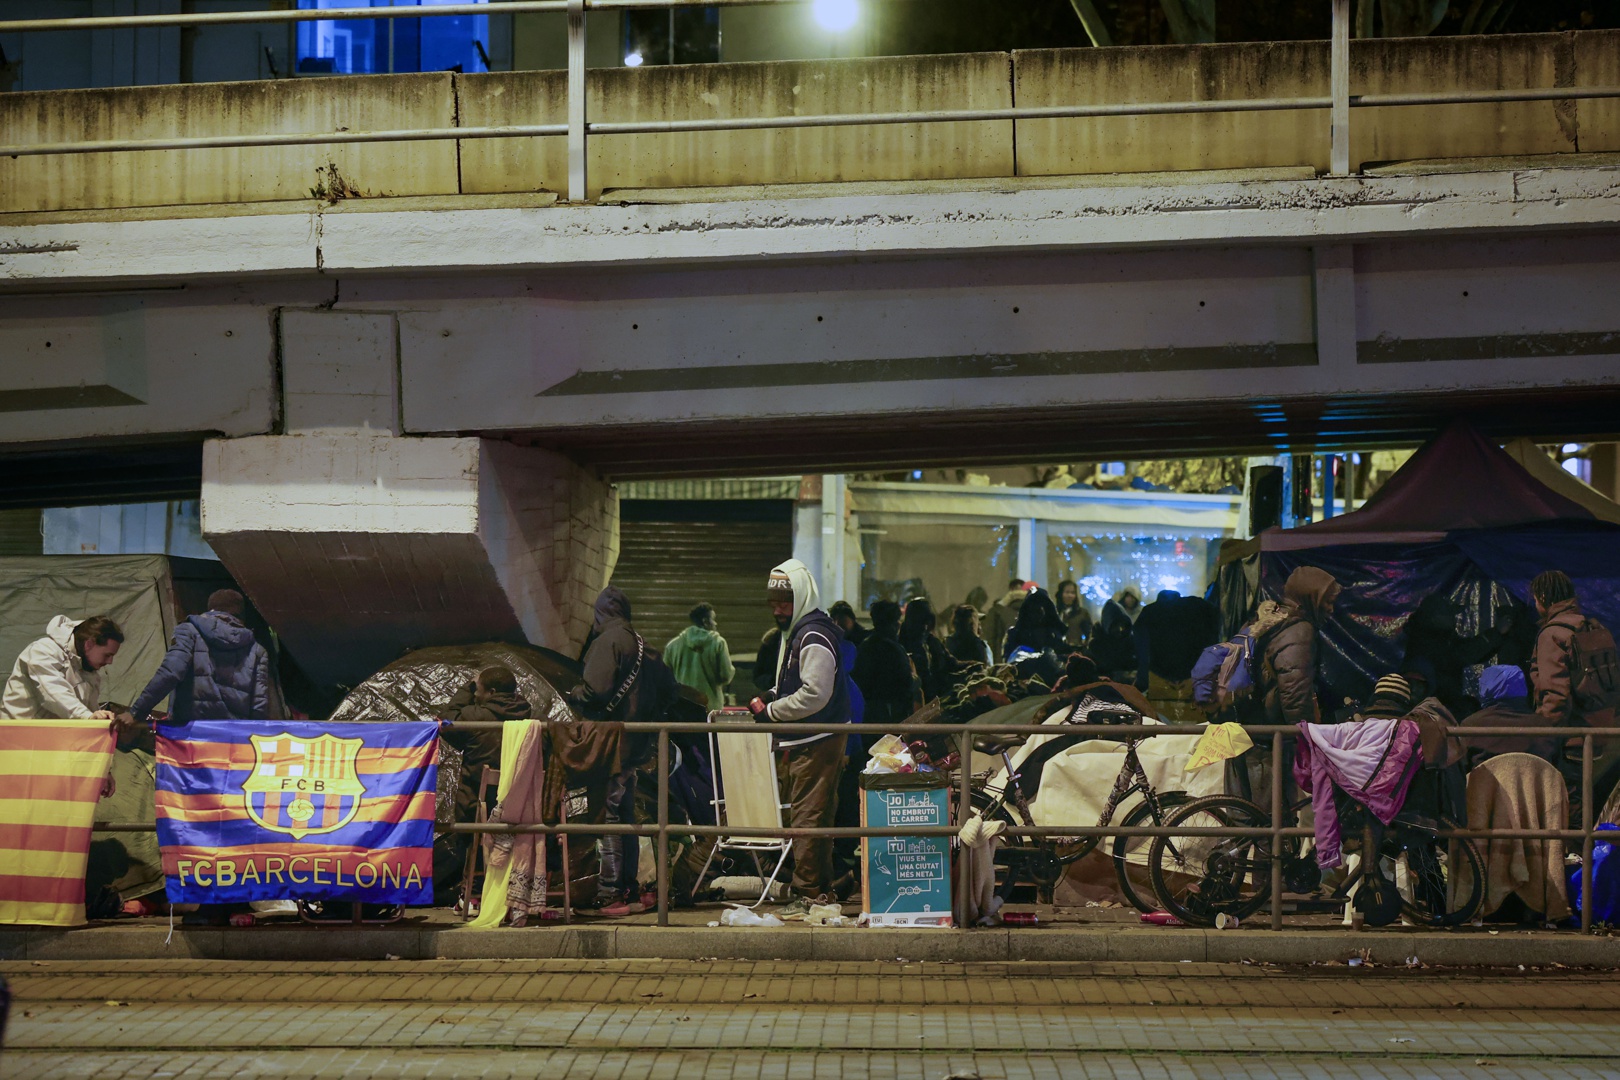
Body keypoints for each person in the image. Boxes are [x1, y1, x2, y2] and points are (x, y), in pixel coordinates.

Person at [747, 559, 850, 915]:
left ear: (801, 596)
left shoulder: (812, 635)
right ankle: (820, 891)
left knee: (807, 815)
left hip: (816, 738)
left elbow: (815, 693)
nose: (777, 610)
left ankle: (807, 893)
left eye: (784, 602)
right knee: (815, 815)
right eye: (773, 603)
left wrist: (772, 711)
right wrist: (776, 696)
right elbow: (797, 682)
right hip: (814, 737)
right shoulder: (804, 630)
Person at [569, 585, 677, 916]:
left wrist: (576, 693)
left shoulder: (609, 642)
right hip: (637, 744)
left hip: (612, 743)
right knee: (626, 814)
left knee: (609, 815)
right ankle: (629, 890)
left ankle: (611, 893)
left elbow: (596, 690)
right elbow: (670, 690)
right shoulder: (643, 645)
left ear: (601, 613)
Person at [438, 666, 533, 905]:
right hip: (522, 808)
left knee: (471, 815)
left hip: (480, 810)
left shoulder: (473, 716)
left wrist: (466, 687)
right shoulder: (531, 717)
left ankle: (475, 893)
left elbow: (445, 720)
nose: (476, 694)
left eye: (478, 690)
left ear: (490, 692)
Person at [129, 590, 270, 725]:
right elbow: (259, 705)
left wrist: (136, 712)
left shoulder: (188, 631)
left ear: (211, 610)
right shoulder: (258, 650)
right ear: (241, 616)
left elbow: (169, 673)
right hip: (232, 741)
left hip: (188, 736)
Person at [1529, 570, 1618, 731]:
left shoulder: (1552, 634)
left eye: (1535, 599)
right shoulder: (1595, 628)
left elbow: (1556, 695)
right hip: (1607, 730)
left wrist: (1545, 736)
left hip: (1573, 734)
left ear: (1542, 598)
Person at [1257, 566, 1341, 727]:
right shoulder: (1299, 631)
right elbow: (1295, 695)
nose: (1331, 609)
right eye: (1328, 601)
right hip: (1280, 739)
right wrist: (1305, 739)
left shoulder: (1267, 622)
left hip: (1257, 731)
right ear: (1311, 597)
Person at [1, 615, 124, 722]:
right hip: (17, 736)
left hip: (50, 737)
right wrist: (87, 716)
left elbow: (90, 712)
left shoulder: (89, 670)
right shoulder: (42, 651)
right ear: (89, 644)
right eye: (107, 655)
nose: (110, 661)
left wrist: (101, 718)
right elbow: (54, 692)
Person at [1132, 589, 1221, 721]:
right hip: (1194, 672)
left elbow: (1142, 647)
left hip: (1160, 673)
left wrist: (1142, 678)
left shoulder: (1149, 612)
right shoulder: (1198, 607)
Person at [1462, 664, 1559, 767]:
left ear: (1485, 688)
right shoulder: (1544, 726)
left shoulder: (1471, 726)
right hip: (1534, 783)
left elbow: (1461, 771)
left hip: (1485, 783)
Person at [853, 599, 916, 728]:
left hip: (868, 715)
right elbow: (907, 683)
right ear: (893, 623)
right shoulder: (895, 650)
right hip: (892, 714)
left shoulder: (865, 646)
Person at [663, 602, 735, 713]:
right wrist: (731, 670)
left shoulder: (672, 645)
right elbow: (725, 676)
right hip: (710, 709)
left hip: (681, 708)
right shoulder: (718, 643)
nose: (716, 624)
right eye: (713, 619)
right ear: (705, 622)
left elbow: (665, 679)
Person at [1001, 587, 1067, 686]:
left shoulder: (1053, 632)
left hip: (1050, 681)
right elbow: (1009, 662)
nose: (1037, 611)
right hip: (1024, 681)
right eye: (1033, 607)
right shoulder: (1016, 633)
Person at [899, 598, 957, 702]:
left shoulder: (933, 642)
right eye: (920, 622)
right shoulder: (901, 646)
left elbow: (951, 664)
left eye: (927, 622)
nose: (925, 627)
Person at [1091, 584, 1144, 680]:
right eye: (1128, 596)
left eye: (1133, 597)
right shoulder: (1098, 644)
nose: (1130, 599)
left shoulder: (1140, 615)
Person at [979, 579, 1028, 662]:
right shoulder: (1037, 612)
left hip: (1004, 664)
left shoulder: (998, 612)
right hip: (1030, 664)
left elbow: (990, 639)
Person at [1054, 579, 1094, 650]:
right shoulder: (1054, 612)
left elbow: (1089, 633)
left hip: (1076, 651)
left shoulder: (1082, 613)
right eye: (1067, 592)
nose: (1070, 595)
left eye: (1072, 593)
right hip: (1058, 651)